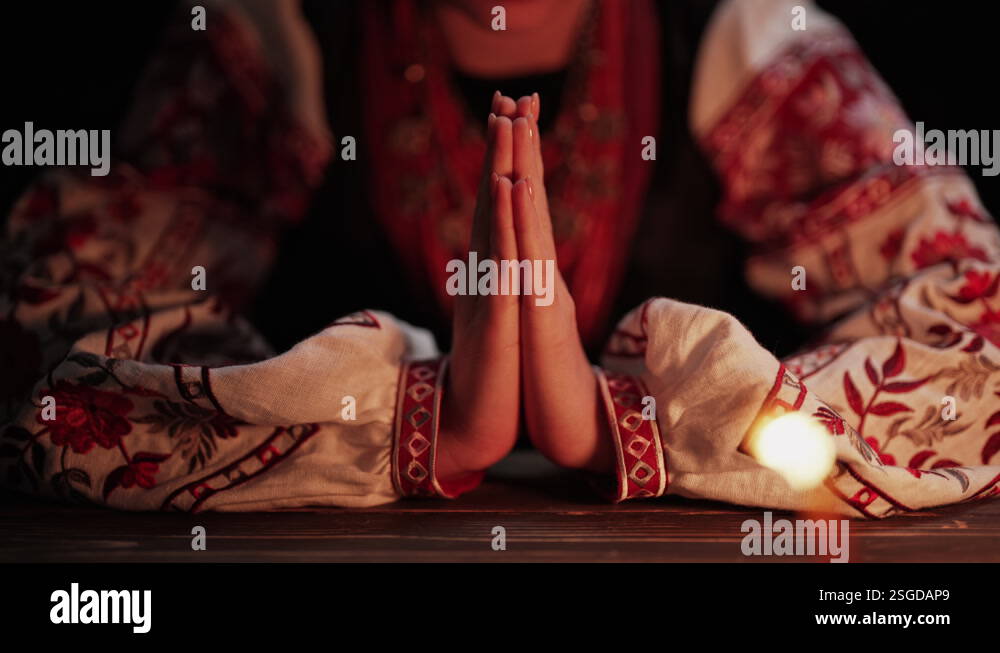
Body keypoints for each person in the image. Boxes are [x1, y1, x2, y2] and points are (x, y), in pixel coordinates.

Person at [2, 0, 999, 516]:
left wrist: (626, 424)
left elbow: (976, 357)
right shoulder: (266, 41)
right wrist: (415, 421)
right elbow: (49, 368)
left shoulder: (751, 43)